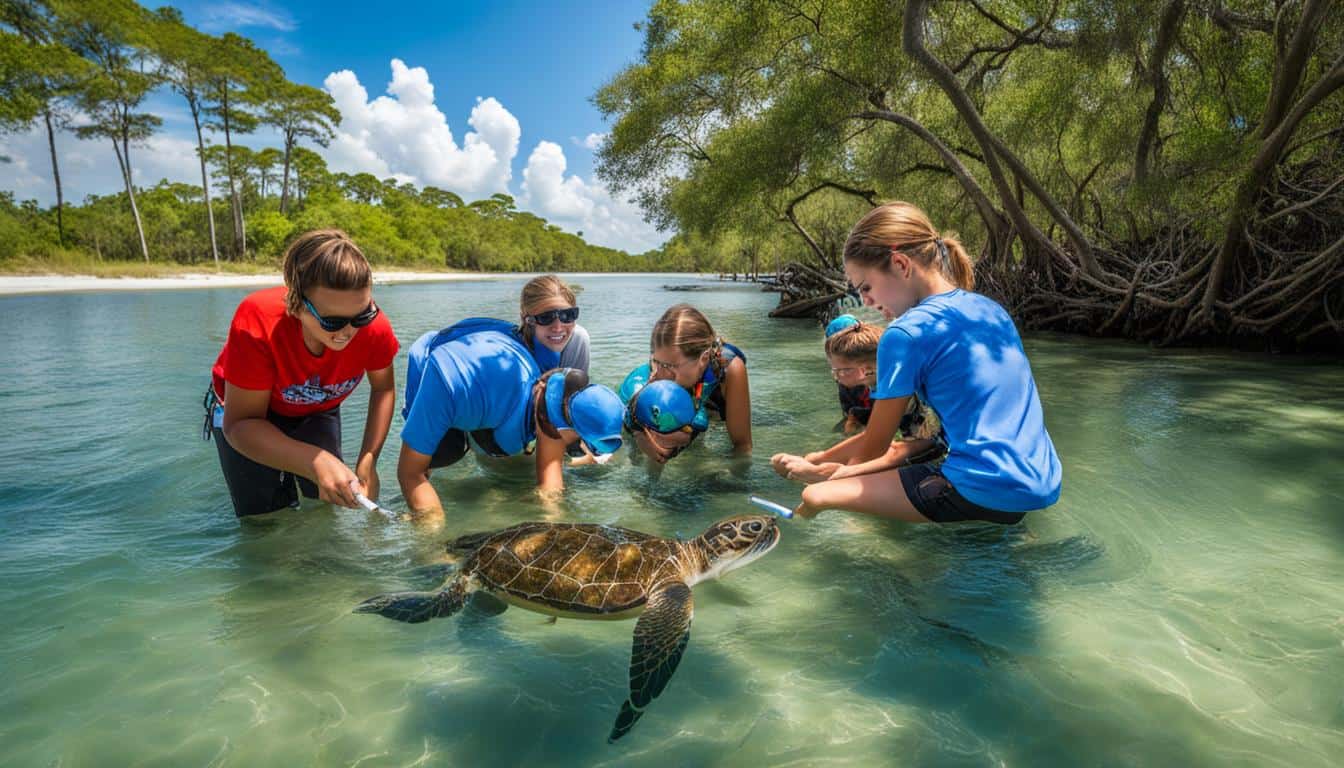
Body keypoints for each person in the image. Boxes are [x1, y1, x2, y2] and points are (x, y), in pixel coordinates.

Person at [772, 201, 1061, 525]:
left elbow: (874, 444)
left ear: (900, 264)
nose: (865, 301)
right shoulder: (991, 310)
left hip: (981, 488)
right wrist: (831, 466)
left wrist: (823, 479)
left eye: (866, 287)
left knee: (816, 496)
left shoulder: (904, 334)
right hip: (1042, 484)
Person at [204, 229, 399, 517]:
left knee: (325, 507)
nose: (349, 332)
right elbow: (241, 423)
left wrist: (368, 459)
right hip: (245, 415)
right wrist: (313, 461)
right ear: (295, 304)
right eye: (333, 322)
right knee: (264, 519)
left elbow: (383, 388)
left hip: (317, 410)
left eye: (362, 315)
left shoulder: (374, 329)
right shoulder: (257, 322)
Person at [397, 318, 625, 516]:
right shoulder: (450, 386)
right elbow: (408, 473)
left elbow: (551, 490)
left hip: (491, 370)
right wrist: (433, 538)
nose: (567, 451)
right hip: (434, 367)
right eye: (574, 447)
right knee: (442, 454)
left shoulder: (554, 401)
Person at [623, 304, 752, 463]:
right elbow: (629, 414)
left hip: (713, 402)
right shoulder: (657, 371)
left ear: (703, 359)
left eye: (670, 366)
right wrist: (640, 434)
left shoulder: (730, 370)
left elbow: (742, 447)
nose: (662, 375)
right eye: (656, 362)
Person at [517, 274, 589, 373]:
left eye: (567, 315)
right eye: (545, 317)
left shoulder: (577, 339)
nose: (558, 328)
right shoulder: (514, 355)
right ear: (527, 320)